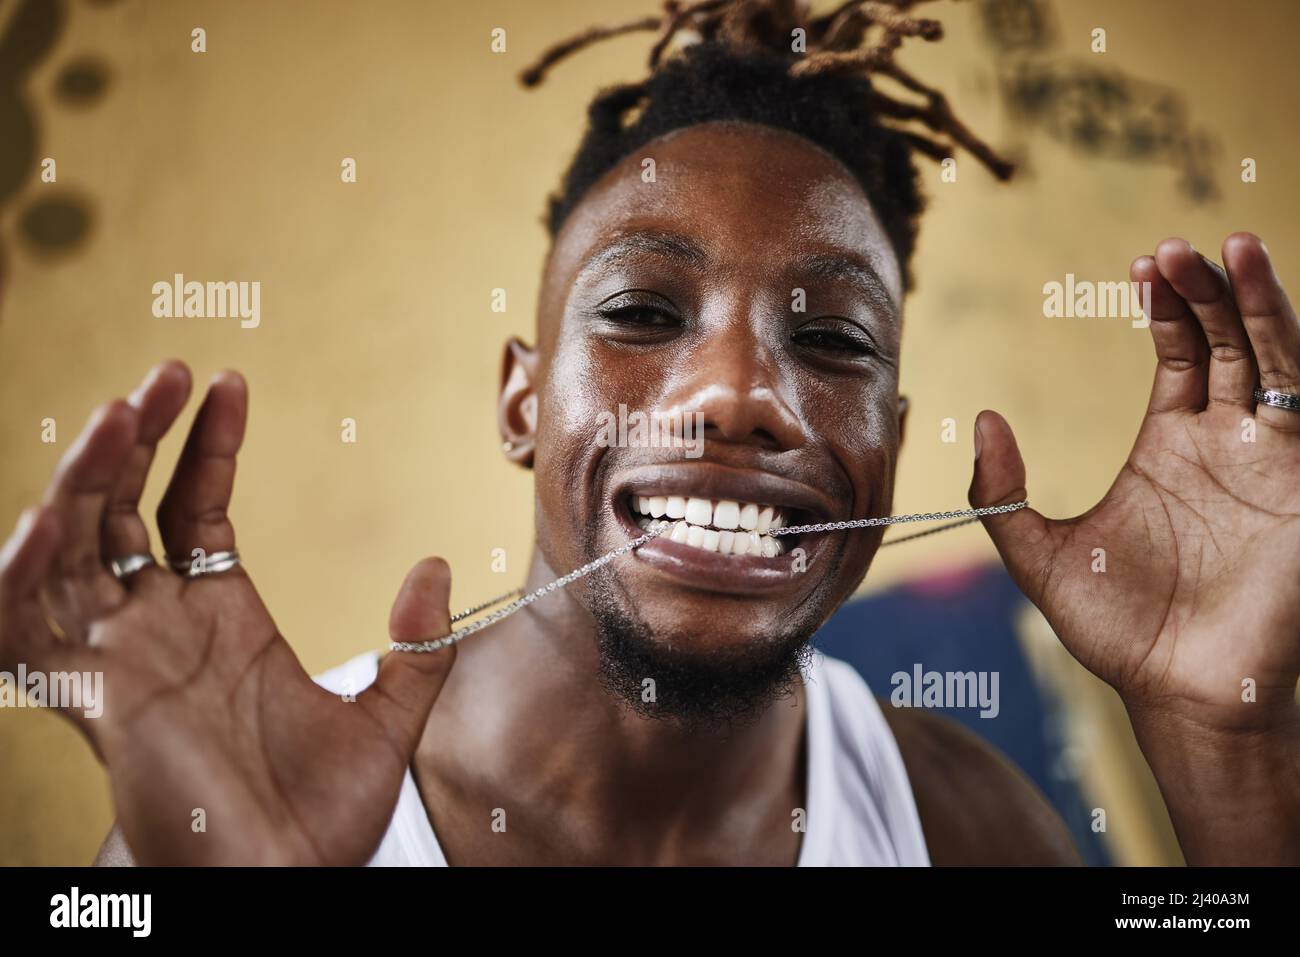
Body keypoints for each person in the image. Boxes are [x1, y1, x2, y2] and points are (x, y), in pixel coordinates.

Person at [2, 0, 1297, 866]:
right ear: (523, 402)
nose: (736, 393)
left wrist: (1226, 755)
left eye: (833, 339)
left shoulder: (958, 826)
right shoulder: (253, 794)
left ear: (893, 448)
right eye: (641, 308)